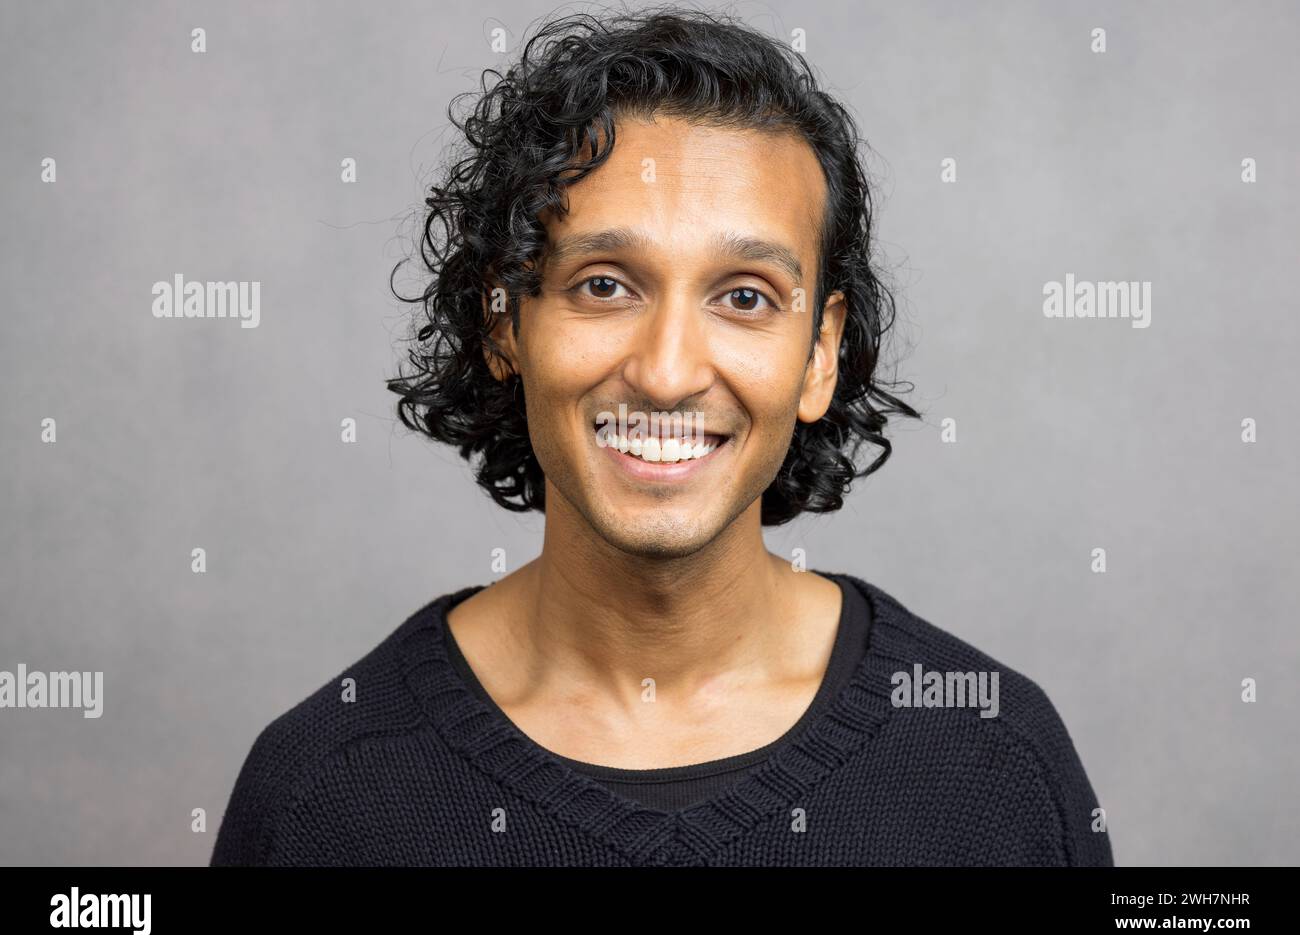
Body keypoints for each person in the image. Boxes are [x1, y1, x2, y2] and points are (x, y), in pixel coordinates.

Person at [211, 8, 1113, 866]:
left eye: (745, 297)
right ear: (502, 324)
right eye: (605, 285)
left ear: (819, 356)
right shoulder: (323, 790)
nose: (670, 369)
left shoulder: (994, 762)